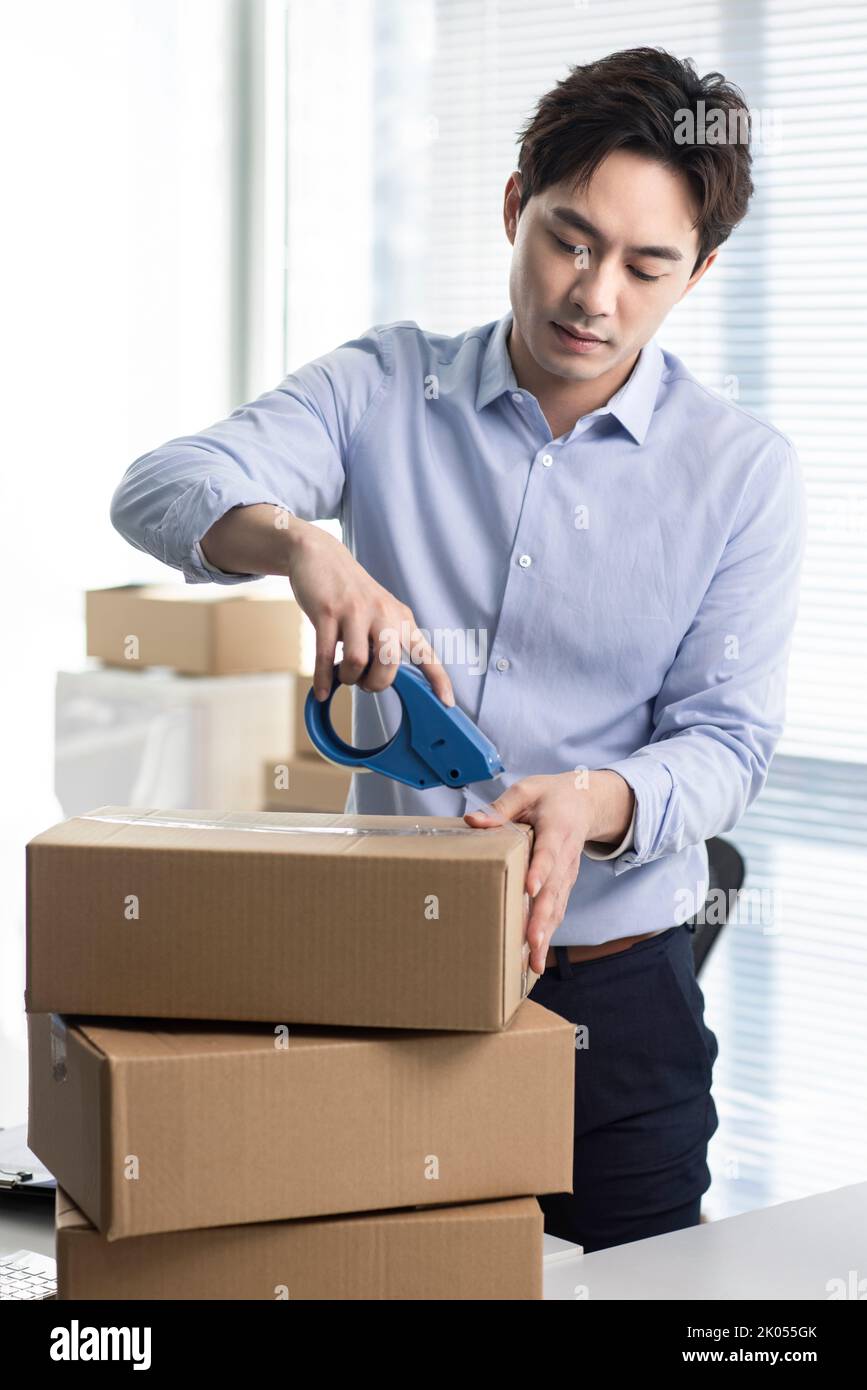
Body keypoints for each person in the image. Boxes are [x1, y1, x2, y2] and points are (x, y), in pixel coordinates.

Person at [110, 47, 806, 1253]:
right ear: (512, 208)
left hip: (622, 999)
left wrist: (595, 799)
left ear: (699, 274)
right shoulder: (385, 389)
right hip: (392, 974)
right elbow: (160, 485)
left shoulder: (743, 475)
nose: (596, 296)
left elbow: (730, 741)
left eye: (648, 266)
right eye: (570, 240)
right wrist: (301, 550)